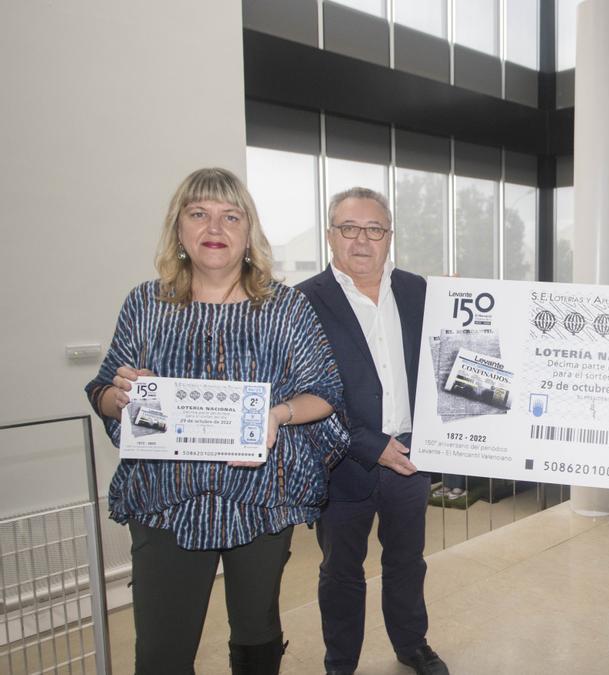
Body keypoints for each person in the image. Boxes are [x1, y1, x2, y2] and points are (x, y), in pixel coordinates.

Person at [84, 167, 349, 674]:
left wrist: (279, 413)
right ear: (179, 228)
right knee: (161, 652)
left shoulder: (285, 308)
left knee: (256, 639)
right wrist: (119, 396)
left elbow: (325, 393)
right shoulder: (146, 304)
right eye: (199, 213)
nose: (215, 227)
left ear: (249, 233)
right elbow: (101, 391)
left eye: (231, 216)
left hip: (259, 499)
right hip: (166, 499)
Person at [297, 188, 448, 675]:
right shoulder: (301, 302)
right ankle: (340, 663)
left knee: (408, 561)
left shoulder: (420, 291)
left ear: (389, 237)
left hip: (410, 457)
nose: (362, 240)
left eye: (375, 229)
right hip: (343, 463)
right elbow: (301, 389)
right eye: (349, 228)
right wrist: (368, 444)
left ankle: (412, 645)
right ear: (330, 236)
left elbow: (446, 365)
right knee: (341, 572)